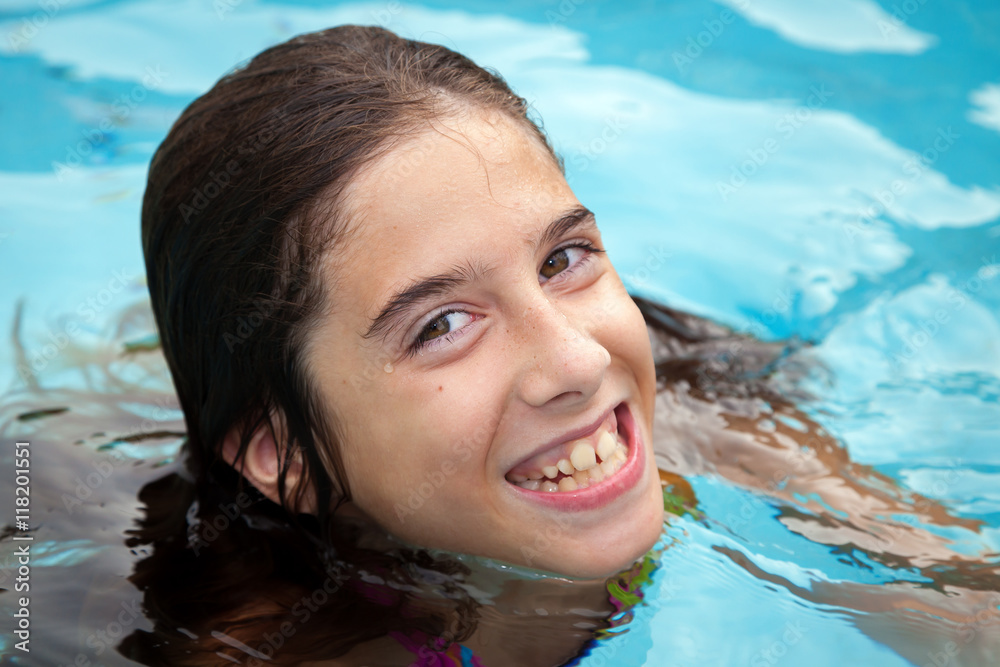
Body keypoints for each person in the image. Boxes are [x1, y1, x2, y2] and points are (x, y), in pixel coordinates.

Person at [133, 24, 999, 666]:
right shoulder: (259, 645)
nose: (583, 363)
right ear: (282, 454)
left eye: (563, 256)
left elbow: (962, 606)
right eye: (440, 325)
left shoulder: (702, 423)